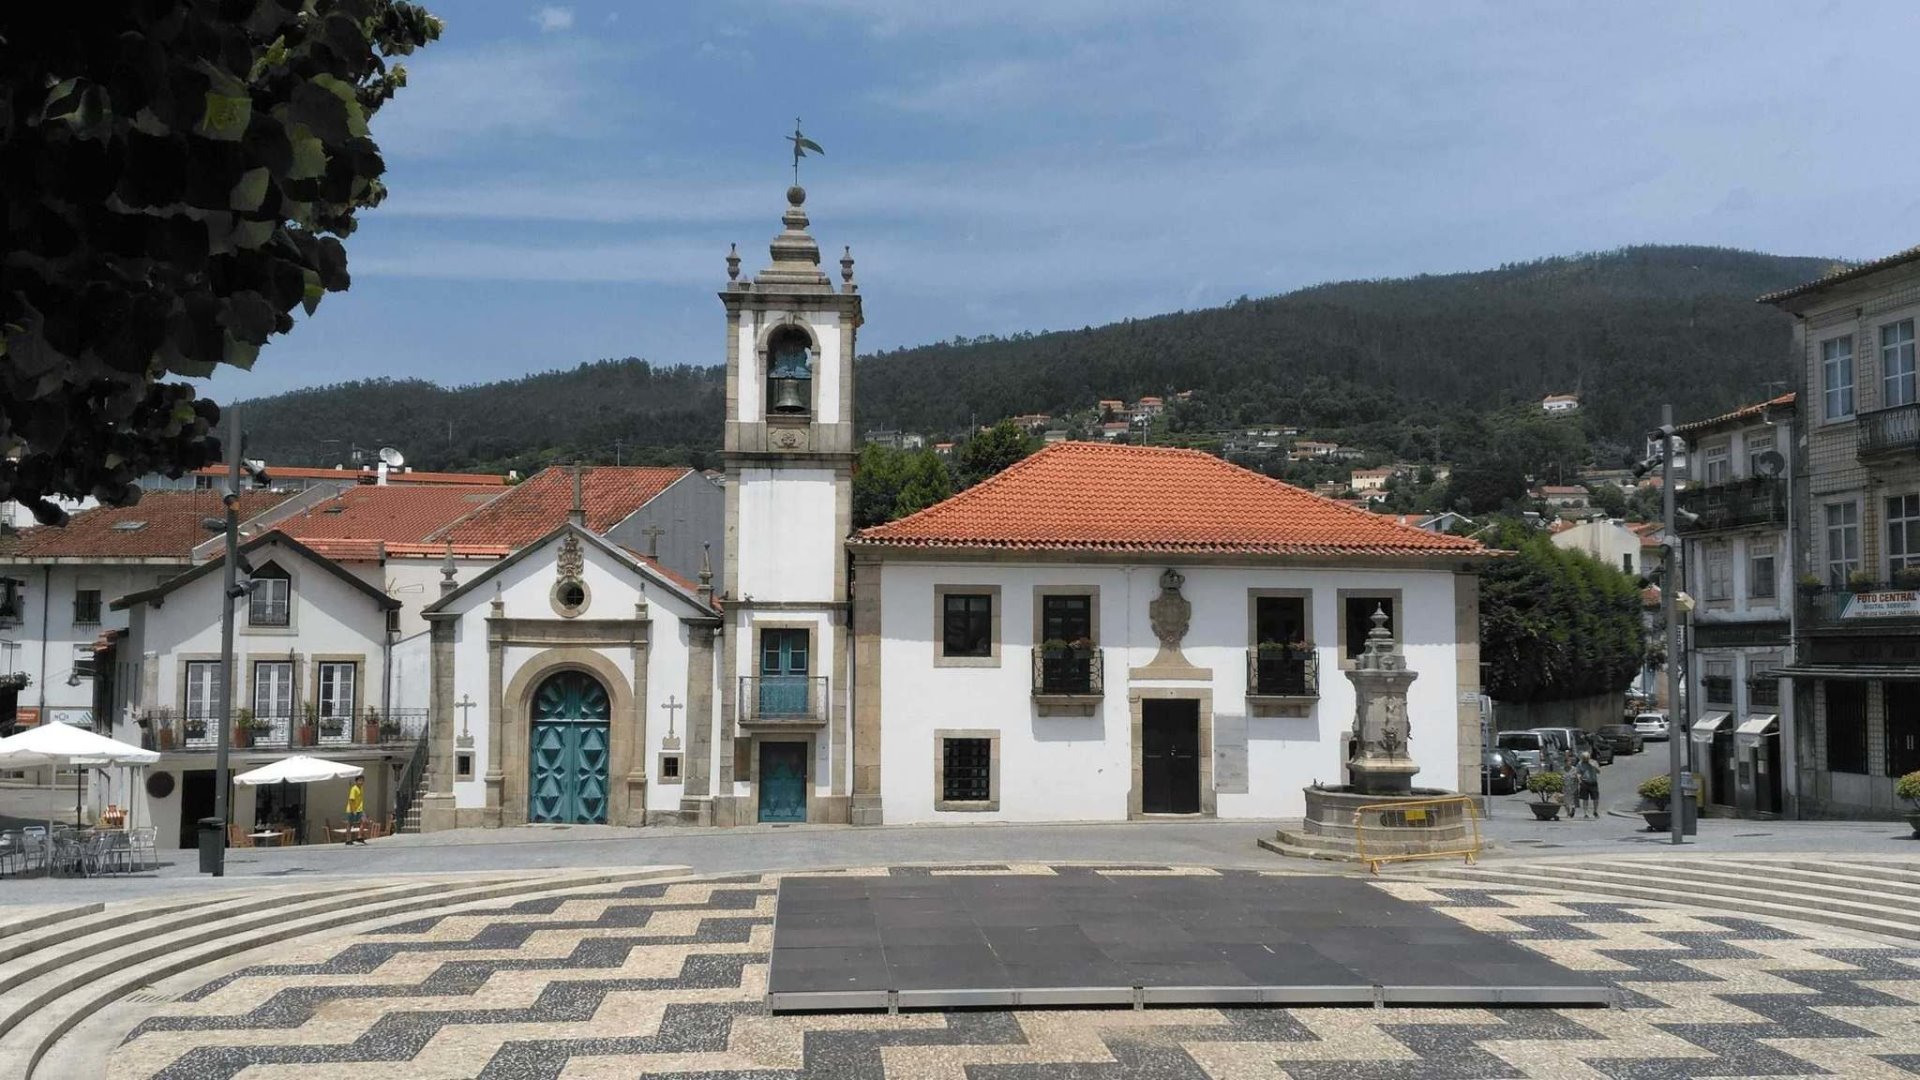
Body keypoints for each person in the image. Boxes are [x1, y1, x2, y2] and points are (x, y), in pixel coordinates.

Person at [1575, 752, 1601, 819]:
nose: (1585, 760)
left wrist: (1593, 766)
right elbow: (1578, 772)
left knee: (1596, 798)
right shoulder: (1580, 764)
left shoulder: (1594, 762)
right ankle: (1585, 813)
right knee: (1585, 799)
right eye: (1584, 758)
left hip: (1593, 782)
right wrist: (1579, 779)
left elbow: (1599, 771)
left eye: (1586, 758)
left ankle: (1595, 811)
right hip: (1585, 782)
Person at [345, 778, 366, 845]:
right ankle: (348, 840)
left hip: (359, 809)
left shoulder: (361, 788)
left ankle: (359, 837)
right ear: (356, 781)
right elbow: (351, 800)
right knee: (350, 824)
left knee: (364, 821)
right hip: (352, 810)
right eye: (359, 781)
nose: (361, 782)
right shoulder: (354, 789)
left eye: (362, 781)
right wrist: (353, 810)